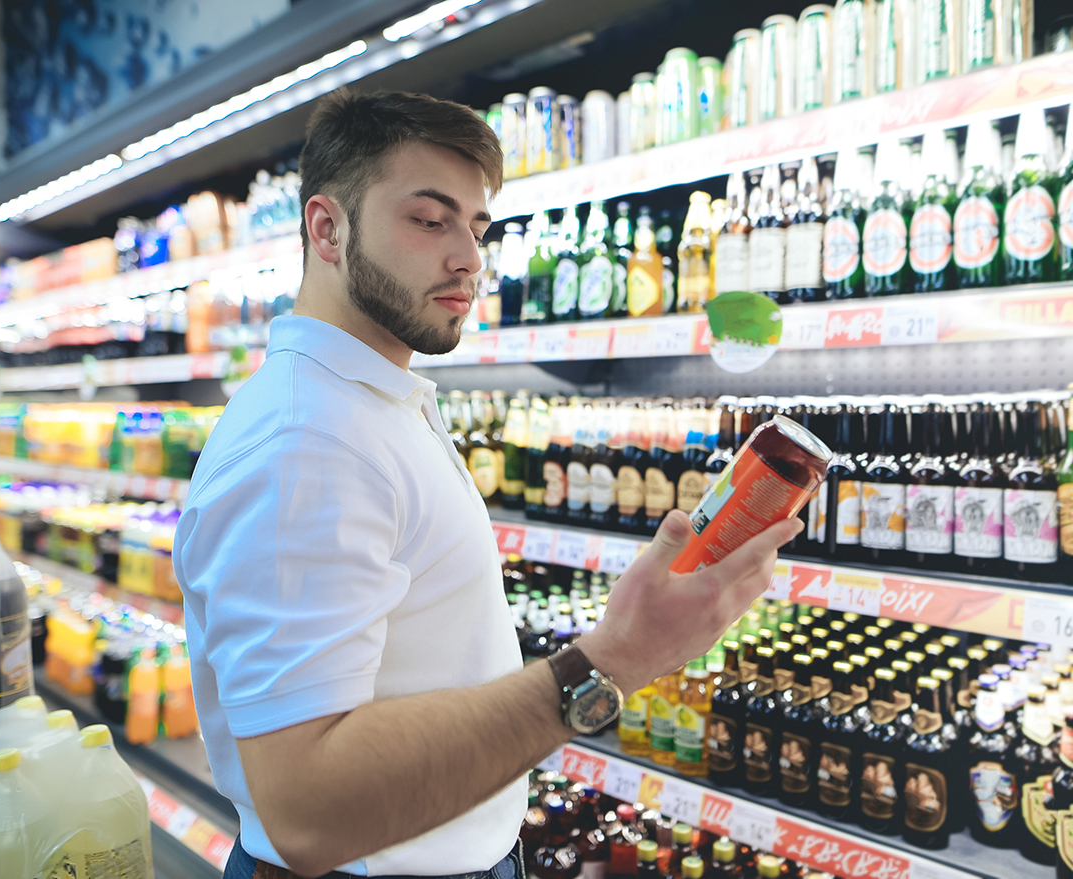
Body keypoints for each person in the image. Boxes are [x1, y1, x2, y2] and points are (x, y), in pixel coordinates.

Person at [172, 88, 801, 879]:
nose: (469, 257)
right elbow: (305, 809)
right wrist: (611, 658)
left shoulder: (372, 401)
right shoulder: (308, 439)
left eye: (478, 228)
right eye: (430, 220)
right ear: (326, 228)